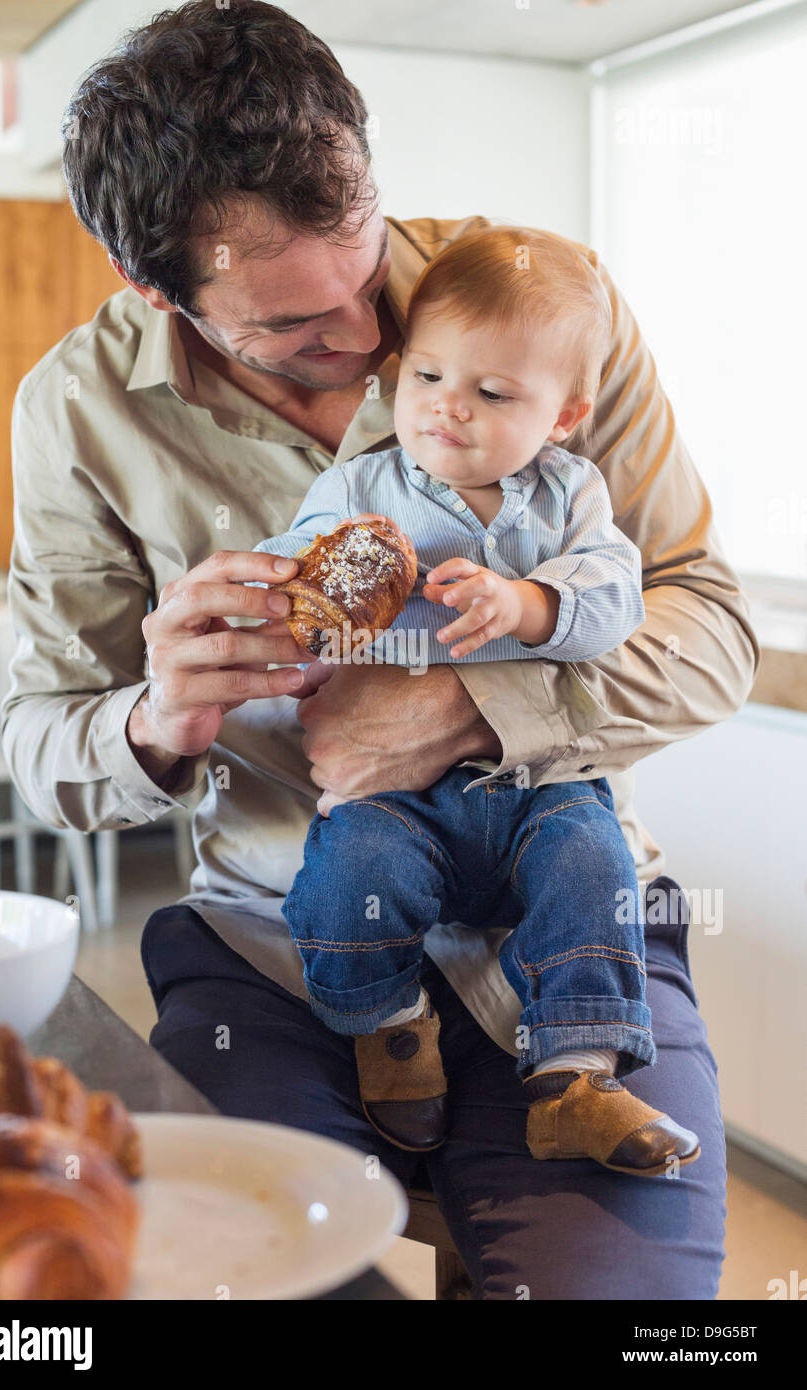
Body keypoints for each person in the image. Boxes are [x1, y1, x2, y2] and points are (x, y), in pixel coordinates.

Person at [1, 0, 757, 1296]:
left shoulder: (545, 309)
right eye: (293, 329)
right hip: (278, 944)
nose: (362, 341)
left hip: (565, 909)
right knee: (223, 1275)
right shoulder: (75, 414)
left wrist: (476, 701)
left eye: (364, 275)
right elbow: (40, 743)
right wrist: (153, 718)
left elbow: (711, 625)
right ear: (151, 287)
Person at [253, 225, 700, 1175]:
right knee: (348, 871)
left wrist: (531, 604)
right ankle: (390, 1024)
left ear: (565, 415)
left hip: (538, 783)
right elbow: (305, 580)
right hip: (397, 796)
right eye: (426, 379)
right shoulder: (362, 484)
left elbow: (618, 596)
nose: (448, 410)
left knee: (595, 868)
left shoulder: (570, 495)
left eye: (493, 394)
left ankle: (576, 1077)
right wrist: (314, 594)